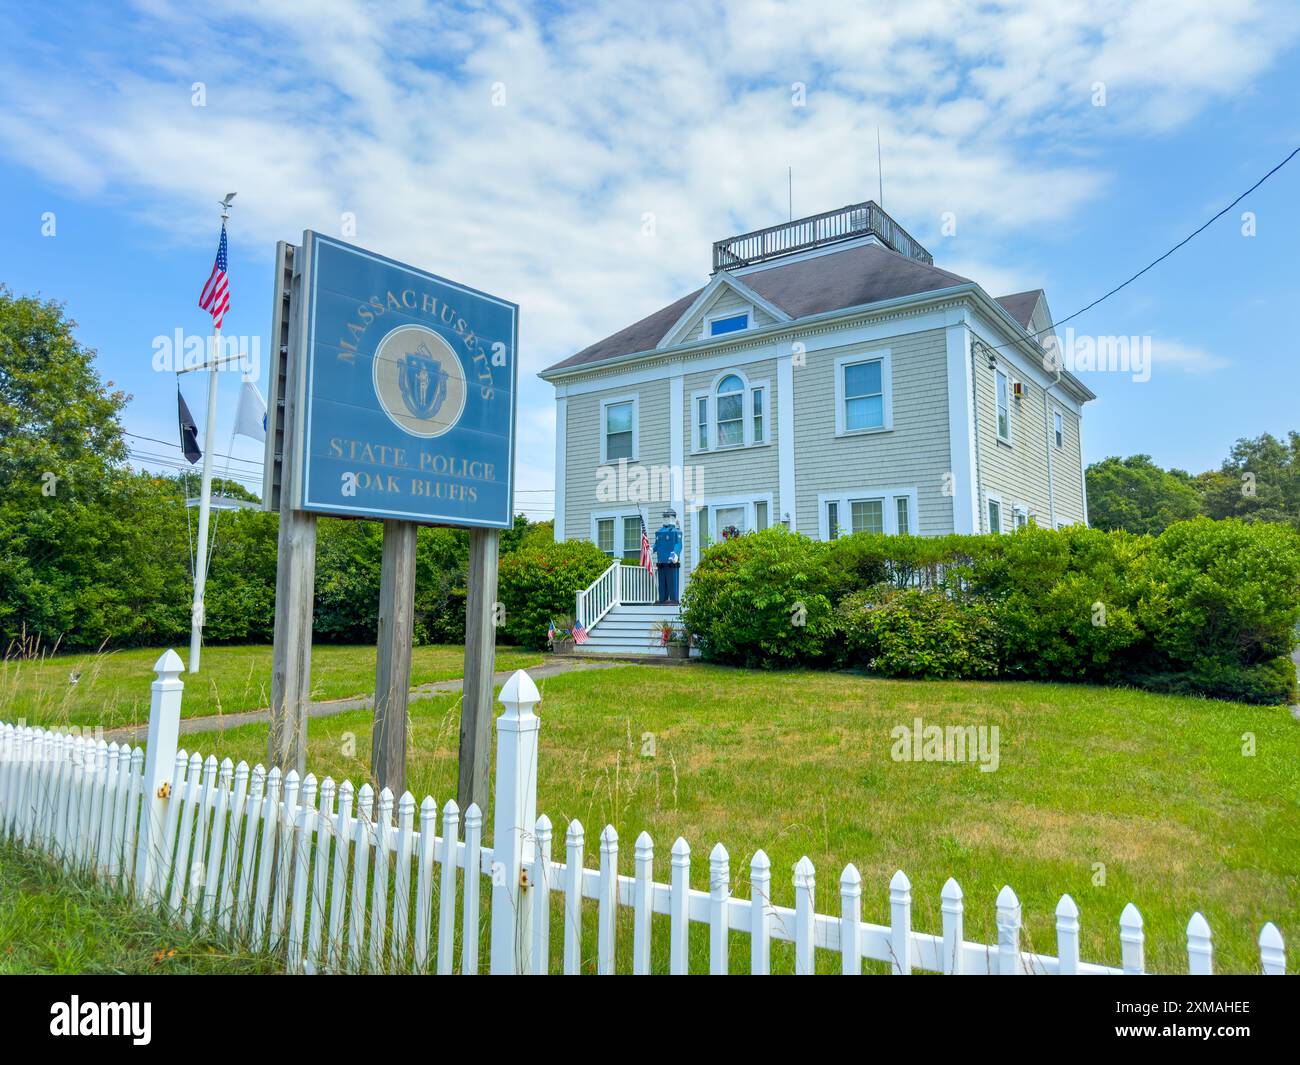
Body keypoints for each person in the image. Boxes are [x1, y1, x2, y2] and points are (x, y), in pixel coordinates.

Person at [654, 509, 683, 604]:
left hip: (671, 562)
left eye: (668, 517)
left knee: (672, 582)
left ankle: (674, 600)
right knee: (662, 583)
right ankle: (662, 599)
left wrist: (675, 554)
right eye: (665, 517)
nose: (666, 519)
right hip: (661, 562)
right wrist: (651, 549)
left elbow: (678, 544)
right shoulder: (659, 532)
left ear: (673, 518)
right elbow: (657, 544)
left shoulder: (676, 531)